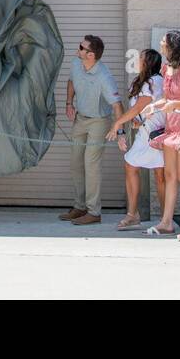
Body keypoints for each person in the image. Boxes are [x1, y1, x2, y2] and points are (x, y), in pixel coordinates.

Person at [60, 34, 123, 226]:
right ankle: (79, 207)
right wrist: (69, 103)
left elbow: (117, 106)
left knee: (91, 165)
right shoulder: (76, 64)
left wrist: (118, 130)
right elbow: (71, 82)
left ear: (91, 55)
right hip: (81, 118)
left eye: (81, 47)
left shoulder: (105, 77)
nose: (78, 49)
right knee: (76, 162)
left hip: (99, 121)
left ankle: (94, 211)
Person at [105, 48, 165, 231]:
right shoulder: (138, 82)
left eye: (141, 57)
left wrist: (117, 124)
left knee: (160, 174)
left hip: (156, 132)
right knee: (131, 165)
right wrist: (134, 123)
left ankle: (165, 218)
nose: (137, 59)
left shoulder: (155, 81)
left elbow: (140, 106)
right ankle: (133, 214)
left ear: (148, 62)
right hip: (144, 132)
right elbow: (136, 111)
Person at [145, 31, 180, 238]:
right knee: (170, 175)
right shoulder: (166, 68)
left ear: (173, 45)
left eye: (164, 42)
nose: (161, 45)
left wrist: (173, 105)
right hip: (170, 127)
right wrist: (154, 107)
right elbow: (166, 98)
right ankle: (166, 222)